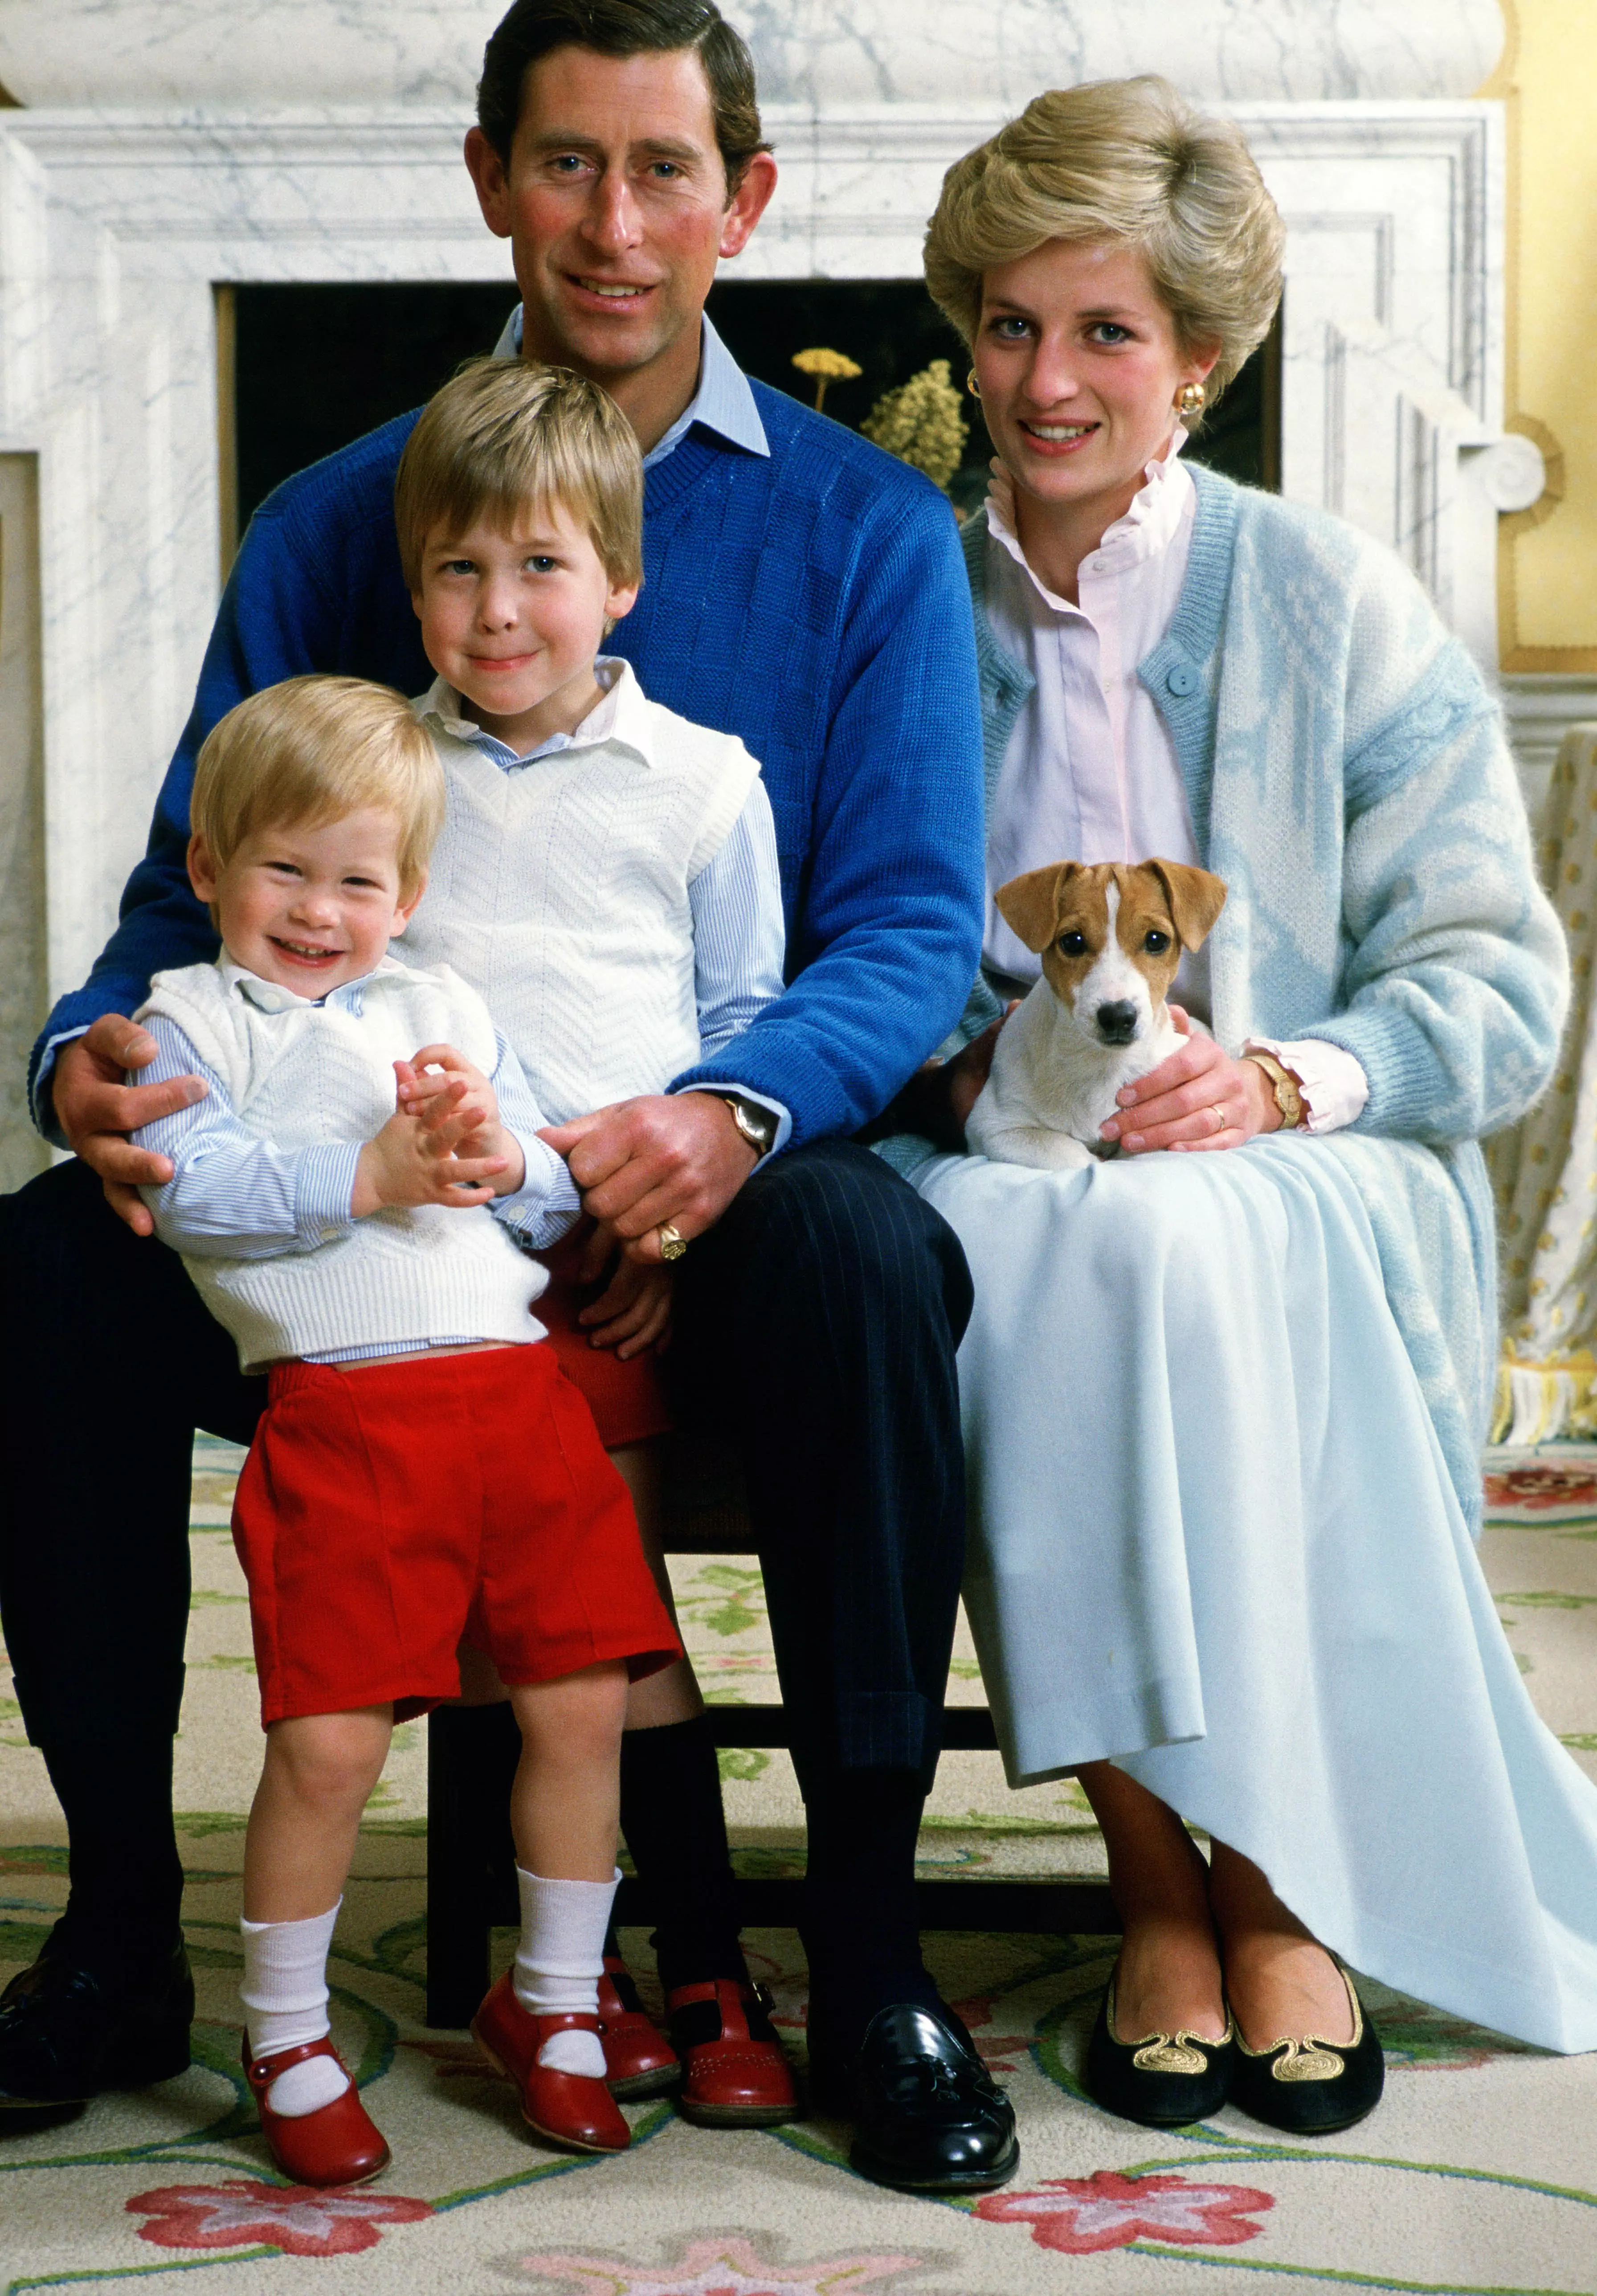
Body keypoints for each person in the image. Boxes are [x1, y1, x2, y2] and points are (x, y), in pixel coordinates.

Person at [0, 0, 1014, 2196]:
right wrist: (84, 1054)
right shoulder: (348, 514)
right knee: (45, 1259)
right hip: (377, 1200)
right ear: (488, 180)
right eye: (567, 166)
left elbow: (909, 931)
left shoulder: (862, 533)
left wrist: (725, 1124)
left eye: (666, 172)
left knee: (862, 1254)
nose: (616, 225)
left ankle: (866, 1949)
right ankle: (114, 1933)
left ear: (742, 200)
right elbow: (202, 872)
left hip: (714, 1184)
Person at [883, 73, 1597, 2137]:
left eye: (1104, 329)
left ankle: (1271, 1874)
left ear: (1199, 357)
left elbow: (1494, 987)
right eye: (1009, 323)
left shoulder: (1332, 600)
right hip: (1009, 1161)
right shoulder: (905, 600)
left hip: (1311, 1170)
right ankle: (1152, 1876)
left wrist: (1279, 1069)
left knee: (1167, 1234)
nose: (1046, 377)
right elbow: (851, 938)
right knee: (1052, 1232)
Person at [132, 674, 681, 2183]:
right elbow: (199, 1201)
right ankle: (289, 2028)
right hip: (344, 1416)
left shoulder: (442, 1008)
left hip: (514, 1398)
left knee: (578, 1706)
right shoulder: (179, 1023)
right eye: (283, 871)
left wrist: (503, 1155)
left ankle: (557, 2002)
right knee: (326, 1741)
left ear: (410, 894)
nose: (320, 910)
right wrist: (365, 1179)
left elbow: (552, 1196)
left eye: (358, 880)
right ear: (209, 871)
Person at [399, 351, 794, 2125]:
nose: (499, 609)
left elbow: (744, 1024)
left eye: (542, 565)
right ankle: (553, 1976)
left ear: (619, 579)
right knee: (508, 1638)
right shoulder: (378, 769)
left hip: (613, 1276)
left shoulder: (701, 783)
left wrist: (671, 1217)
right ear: (416, 584)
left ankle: (698, 1955)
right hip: (424, 1273)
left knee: (602, 1630)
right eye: (459, 568)